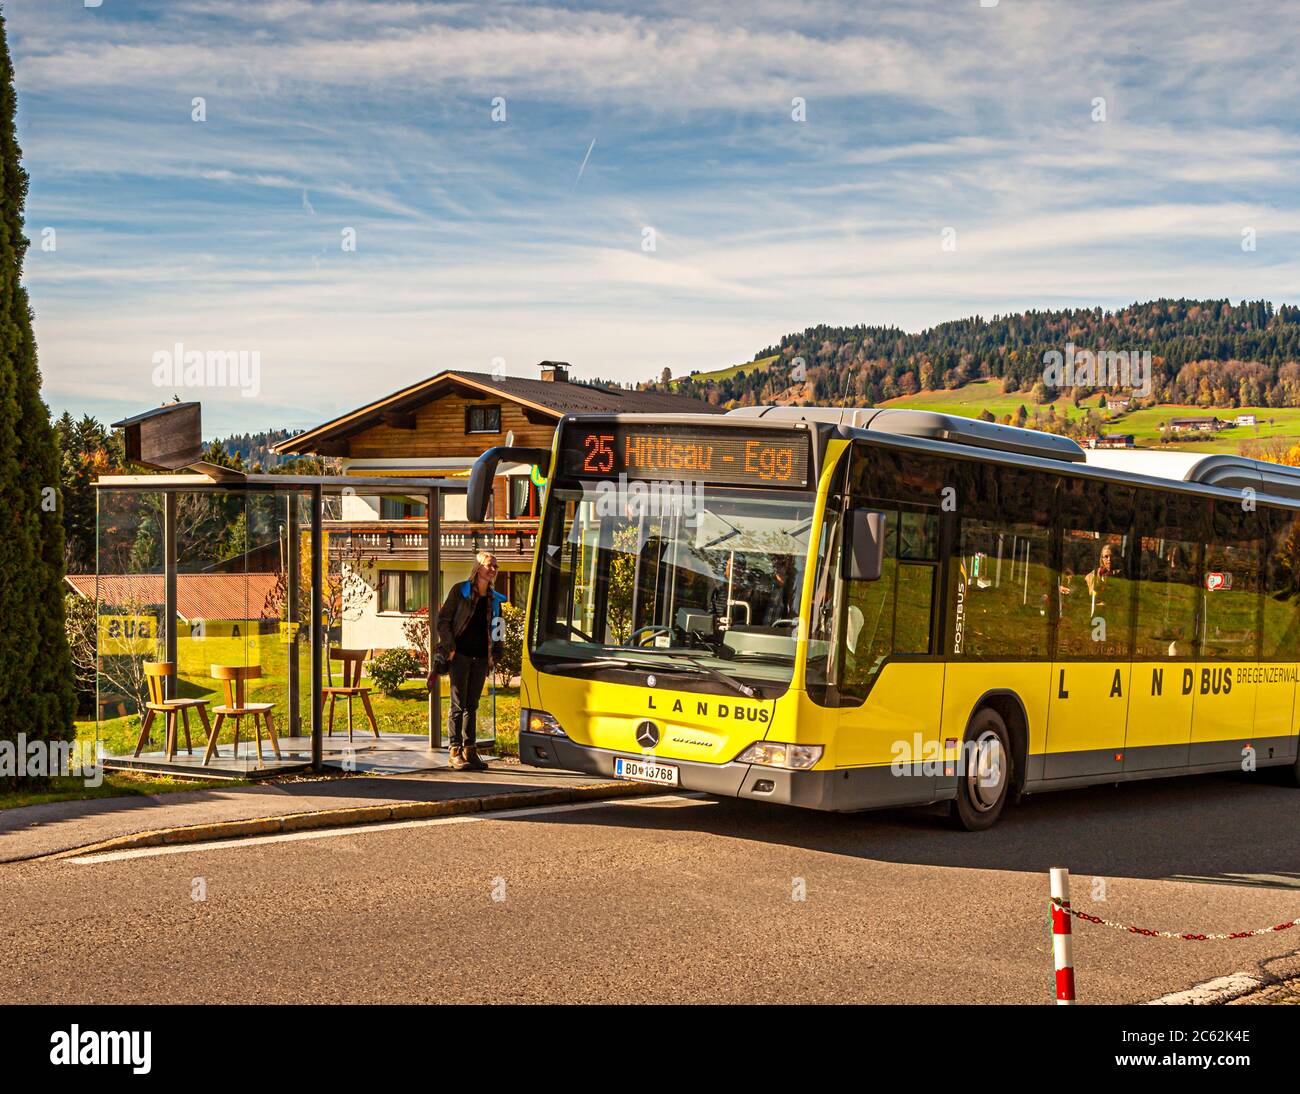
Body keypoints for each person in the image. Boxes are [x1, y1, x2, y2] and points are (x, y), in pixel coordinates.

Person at [432, 551, 505, 771]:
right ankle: (454, 751)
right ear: (478, 568)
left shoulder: (495, 600)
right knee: (458, 705)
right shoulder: (460, 592)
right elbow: (443, 620)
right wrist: (450, 647)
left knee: (472, 705)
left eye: (495, 567)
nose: (493, 570)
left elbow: (499, 629)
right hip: (460, 656)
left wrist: (496, 656)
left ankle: (469, 750)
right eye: (490, 566)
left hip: (481, 657)